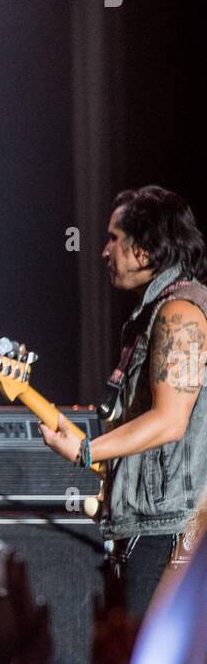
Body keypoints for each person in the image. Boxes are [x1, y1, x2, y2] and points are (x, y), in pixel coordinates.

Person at [40, 186, 207, 617]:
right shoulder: (153, 316)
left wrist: (84, 450)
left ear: (146, 248)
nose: (104, 251)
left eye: (115, 238)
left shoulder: (181, 313)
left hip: (169, 529)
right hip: (148, 526)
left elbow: (170, 422)